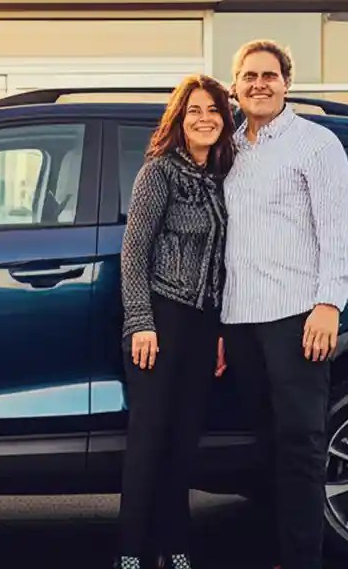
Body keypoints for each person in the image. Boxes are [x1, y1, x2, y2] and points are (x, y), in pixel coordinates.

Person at [221, 40, 348, 569]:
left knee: (300, 444)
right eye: (249, 75)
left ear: (286, 83)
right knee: (263, 447)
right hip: (239, 319)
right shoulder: (228, 148)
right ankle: (274, 554)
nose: (259, 84)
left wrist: (328, 304)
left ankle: (302, 561)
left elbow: (340, 231)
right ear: (234, 84)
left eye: (269, 75)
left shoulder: (314, 144)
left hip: (295, 318)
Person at [115, 74, 235, 569]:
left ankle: (177, 550)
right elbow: (134, 251)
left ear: (224, 121)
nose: (204, 118)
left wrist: (222, 330)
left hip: (204, 325)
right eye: (194, 111)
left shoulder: (225, 177)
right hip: (159, 322)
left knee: (184, 445)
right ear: (179, 120)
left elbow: (229, 261)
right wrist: (141, 321)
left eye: (212, 110)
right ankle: (130, 556)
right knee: (148, 445)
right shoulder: (159, 173)